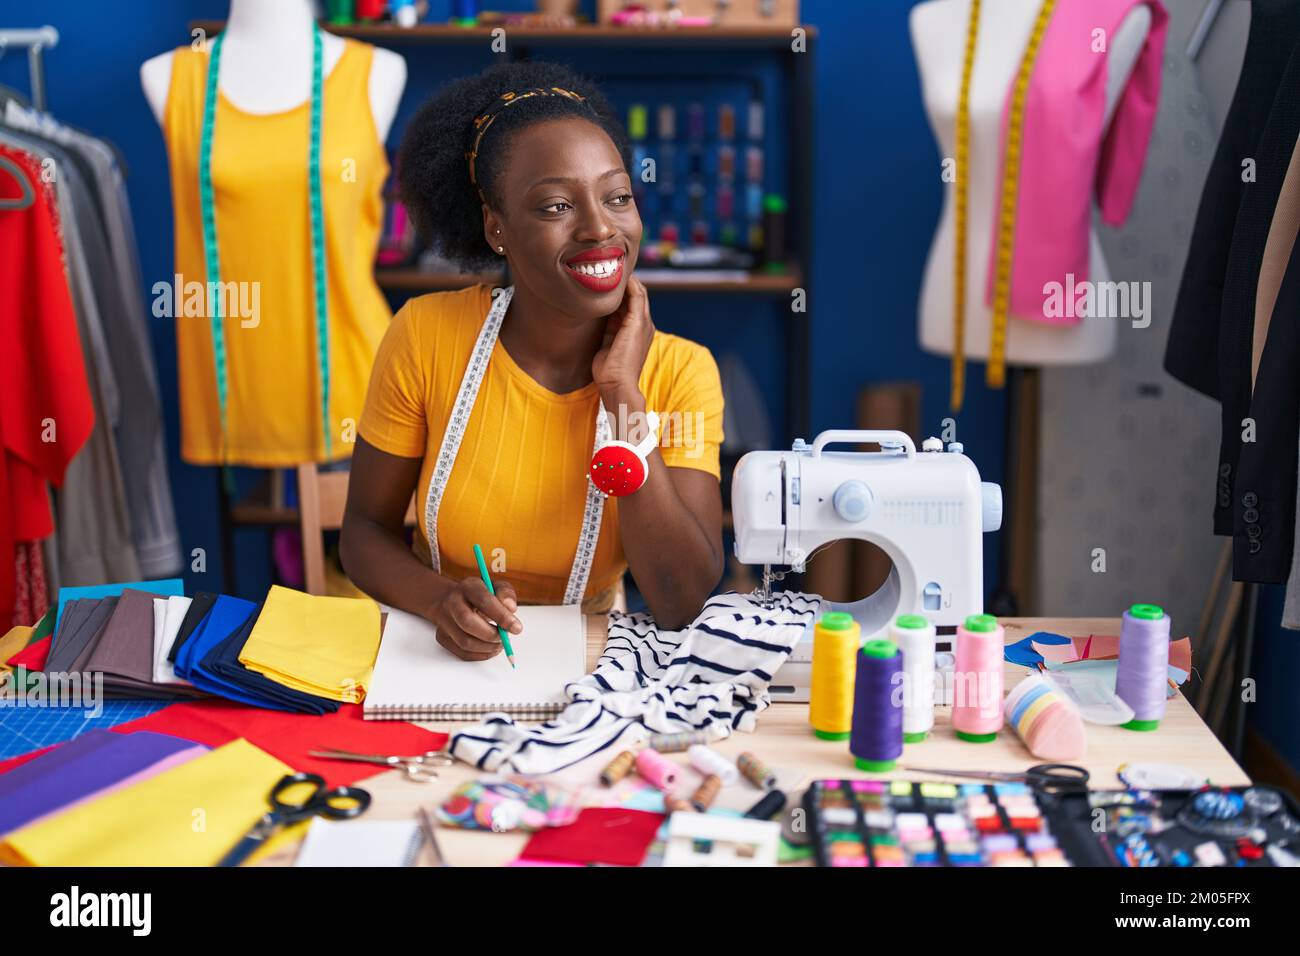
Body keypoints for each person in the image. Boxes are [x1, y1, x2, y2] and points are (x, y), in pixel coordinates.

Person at [341, 62, 725, 662]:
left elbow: (680, 599)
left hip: (593, 655)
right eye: (554, 207)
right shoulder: (426, 335)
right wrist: (441, 600)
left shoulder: (681, 372)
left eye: (617, 196)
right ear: (497, 228)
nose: (601, 228)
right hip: (435, 651)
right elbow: (364, 533)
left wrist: (623, 394)